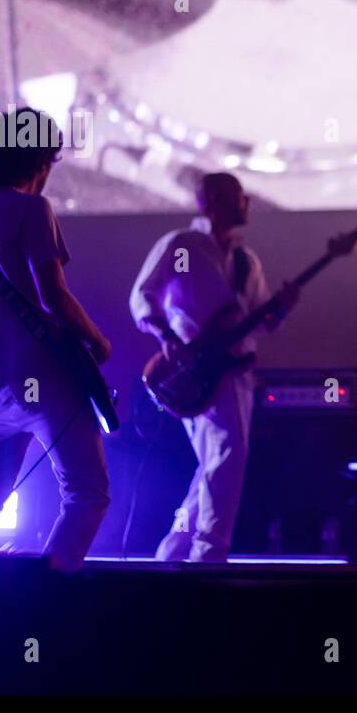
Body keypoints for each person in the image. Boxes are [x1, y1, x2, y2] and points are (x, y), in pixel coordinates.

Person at [0, 106, 111, 572]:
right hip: (46, 385)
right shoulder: (33, 208)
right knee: (86, 493)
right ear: (42, 161)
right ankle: (47, 592)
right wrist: (98, 341)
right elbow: (53, 296)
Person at [130, 172, 296, 563]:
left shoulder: (245, 260)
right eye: (239, 197)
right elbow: (143, 296)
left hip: (234, 373)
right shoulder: (182, 245)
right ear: (212, 202)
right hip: (191, 374)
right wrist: (168, 338)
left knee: (215, 462)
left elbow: (263, 320)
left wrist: (284, 304)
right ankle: (207, 556)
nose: (246, 204)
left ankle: (174, 552)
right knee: (226, 459)